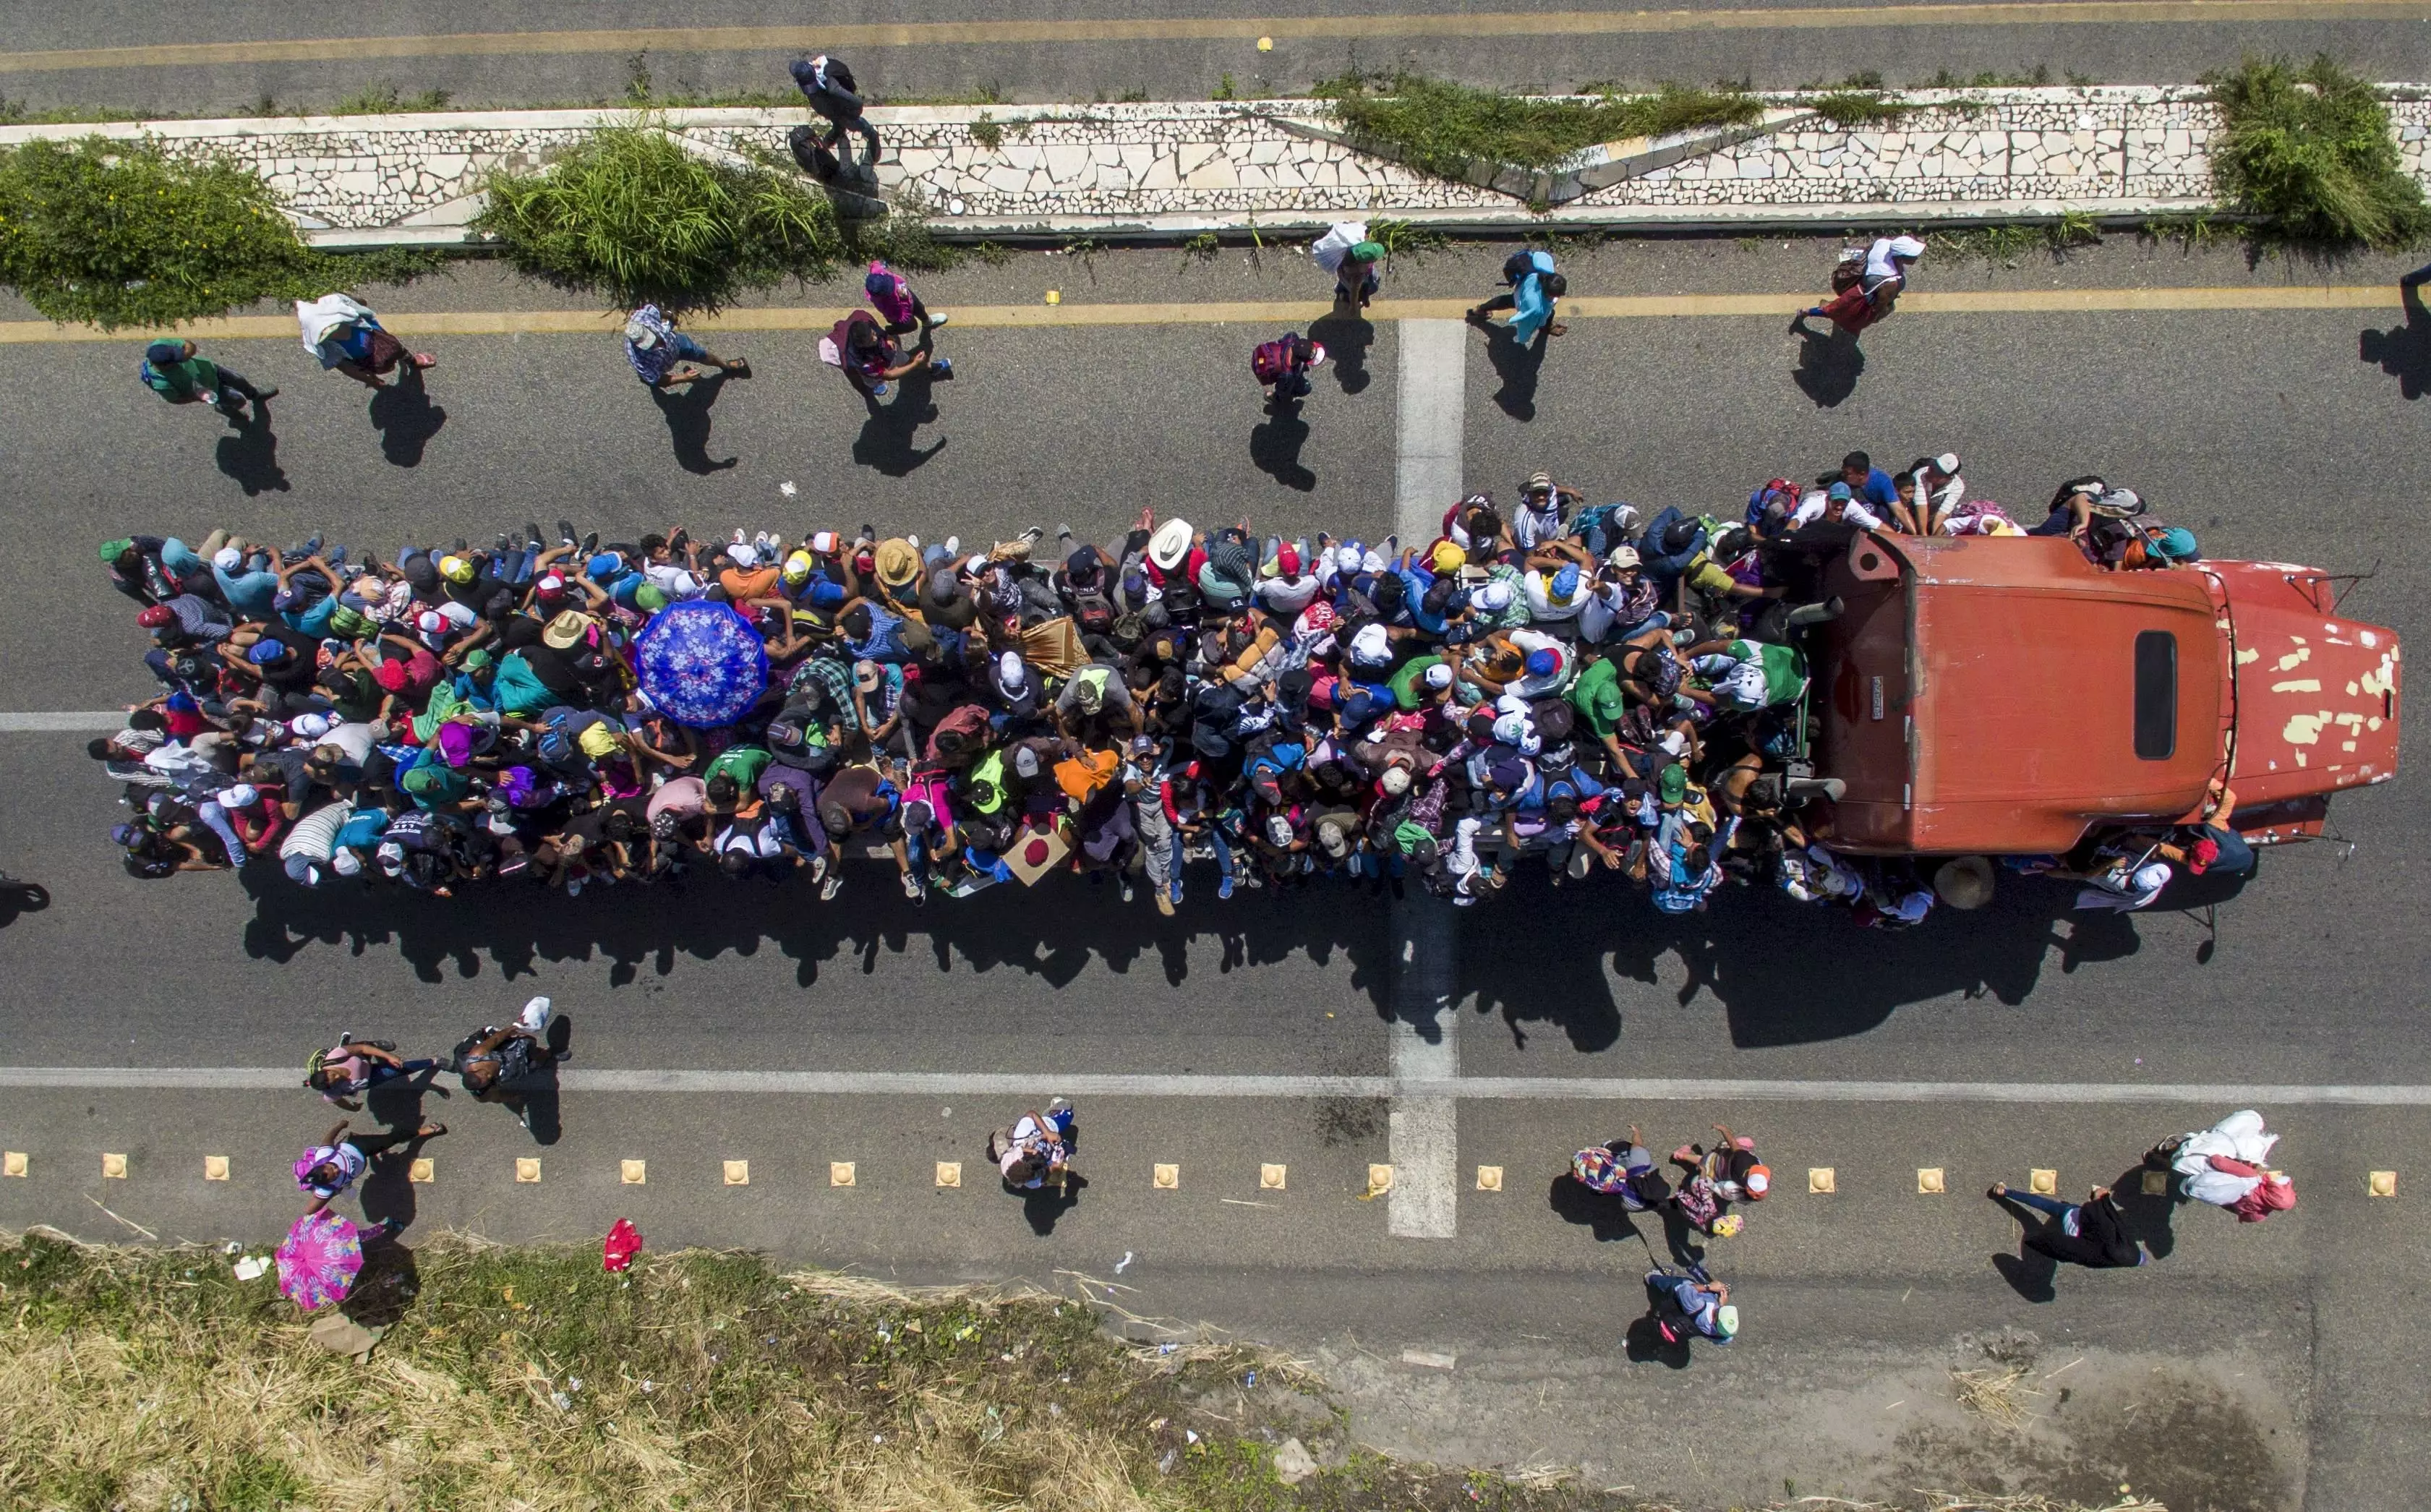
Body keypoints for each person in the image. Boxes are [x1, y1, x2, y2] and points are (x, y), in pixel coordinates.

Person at [2153, 1109, 2296, 1223]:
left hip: (2192, 1168)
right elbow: (2237, 1212)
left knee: (2197, 1153)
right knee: (2169, 1185)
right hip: (2198, 1186)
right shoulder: (2259, 1213)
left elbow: (2218, 1162)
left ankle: (2156, 1156)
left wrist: (2251, 1165)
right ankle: (2147, 1184)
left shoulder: (2252, 1177)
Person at [294, 1117, 446, 1217]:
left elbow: (329, 1137)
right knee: (380, 1157)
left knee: (390, 1139)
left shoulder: (325, 1155)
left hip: (357, 1146)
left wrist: (340, 1125)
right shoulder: (326, 1189)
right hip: (362, 1163)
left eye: (332, 1168)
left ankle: (422, 1131)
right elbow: (309, 1210)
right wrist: (329, 1199)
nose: (337, 1170)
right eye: (335, 1174)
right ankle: (380, 1154)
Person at [1988, 1179, 2145, 1268]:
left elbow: (2101, 1212)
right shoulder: (2103, 1259)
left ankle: (2005, 1192)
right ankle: (2003, 1193)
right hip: (2069, 1235)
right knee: (2031, 1222)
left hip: (2072, 1214)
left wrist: (2101, 1197)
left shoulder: (2112, 1233)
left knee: (2044, 1205)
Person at [296, 293, 435, 389]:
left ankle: (411, 361)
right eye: (328, 335)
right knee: (381, 364)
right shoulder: (326, 347)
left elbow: (359, 302)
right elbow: (346, 367)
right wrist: (370, 380)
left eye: (337, 327)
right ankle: (399, 364)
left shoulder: (339, 304)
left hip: (378, 337)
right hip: (367, 360)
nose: (338, 334)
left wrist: (359, 304)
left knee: (397, 348)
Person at [1796, 234, 1923, 336]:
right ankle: (1806, 312)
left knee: (1838, 308)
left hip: (1855, 282)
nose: (1917, 257)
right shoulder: (1891, 282)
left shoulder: (1883, 244)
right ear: (1900, 258)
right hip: (1860, 298)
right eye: (1913, 255)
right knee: (1836, 312)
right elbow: (1879, 306)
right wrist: (1874, 316)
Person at [826, 309, 950, 403]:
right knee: (874, 380)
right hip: (876, 367)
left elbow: (880, 332)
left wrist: (888, 339)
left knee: (906, 359)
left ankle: (930, 367)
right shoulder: (865, 365)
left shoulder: (863, 318)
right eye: (870, 340)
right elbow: (890, 375)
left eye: (874, 334)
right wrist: (914, 364)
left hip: (885, 354)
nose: (875, 339)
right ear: (860, 345)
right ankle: (875, 387)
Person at [140, 338, 275, 418]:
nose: (181, 356)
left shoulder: (159, 344)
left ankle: (255, 395)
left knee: (239, 380)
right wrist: (197, 398)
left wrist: (187, 353)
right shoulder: (161, 384)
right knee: (238, 401)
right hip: (210, 390)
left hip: (210, 369)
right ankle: (225, 409)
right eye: (177, 358)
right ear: (167, 365)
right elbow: (175, 400)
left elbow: (189, 345)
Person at [624, 304, 750, 389]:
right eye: (649, 346)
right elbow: (660, 381)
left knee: (701, 354)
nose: (657, 345)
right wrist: (684, 378)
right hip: (662, 364)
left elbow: (655, 310)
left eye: (653, 340)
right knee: (651, 379)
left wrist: (671, 316)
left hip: (676, 343)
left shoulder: (642, 317)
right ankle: (645, 378)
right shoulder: (637, 358)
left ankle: (726, 367)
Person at [791, 54, 880, 173]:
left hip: (843, 113)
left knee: (859, 125)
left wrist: (853, 115)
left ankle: (873, 136)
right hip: (832, 113)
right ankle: (839, 130)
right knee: (837, 124)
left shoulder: (833, 88)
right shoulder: (803, 74)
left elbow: (857, 103)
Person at [1469, 248, 1565, 342]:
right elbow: (1526, 325)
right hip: (1522, 299)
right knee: (1550, 313)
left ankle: (1480, 309)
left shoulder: (1546, 271)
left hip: (1524, 286)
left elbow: (1539, 256)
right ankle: (1546, 327)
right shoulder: (1537, 309)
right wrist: (1524, 338)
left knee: (1506, 301)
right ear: (1549, 294)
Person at [991, 1098, 1075, 1189]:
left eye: (1037, 1154)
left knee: (1068, 1112)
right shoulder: (1032, 1182)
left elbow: (1031, 1114)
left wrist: (1047, 1133)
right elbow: (1044, 1177)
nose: (1037, 1152)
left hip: (1046, 1128)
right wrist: (1054, 1168)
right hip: (1049, 1152)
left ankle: (1051, 1113)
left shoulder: (1022, 1135)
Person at [1644, 1269, 1737, 1346]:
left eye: (1722, 1311)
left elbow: (1685, 1289)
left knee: (1673, 1283)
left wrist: (1709, 1287)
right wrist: (1722, 1305)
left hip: (1683, 1297)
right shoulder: (1724, 1336)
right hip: (1692, 1319)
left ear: (1715, 1319)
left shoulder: (1698, 1306)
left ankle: (1651, 1277)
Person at [866, 259, 948, 338]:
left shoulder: (876, 272)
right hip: (901, 308)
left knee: (920, 308)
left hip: (906, 294)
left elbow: (875, 265)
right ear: (884, 295)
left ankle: (927, 322)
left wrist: (879, 263)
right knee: (912, 325)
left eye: (888, 280)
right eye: (890, 288)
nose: (893, 284)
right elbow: (904, 318)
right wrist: (905, 300)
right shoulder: (886, 306)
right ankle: (890, 332)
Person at [1252, 331, 1323, 409]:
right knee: (1305, 388)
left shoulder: (1292, 337)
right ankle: (1273, 397)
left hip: (1260, 357)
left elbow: (1280, 341)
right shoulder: (1287, 375)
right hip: (1275, 374)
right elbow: (1281, 389)